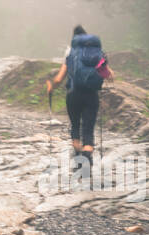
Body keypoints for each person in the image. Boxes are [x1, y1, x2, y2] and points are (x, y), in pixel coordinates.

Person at [49, 24, 114, 165]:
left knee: (75, 126)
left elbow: (59, 79)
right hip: (91, 95)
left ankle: (78, 155)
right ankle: (87, 154)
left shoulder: (70, 54)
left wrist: (51, 87)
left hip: (73, 95)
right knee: (88, 129)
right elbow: (109, 75)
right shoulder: (97, 54)